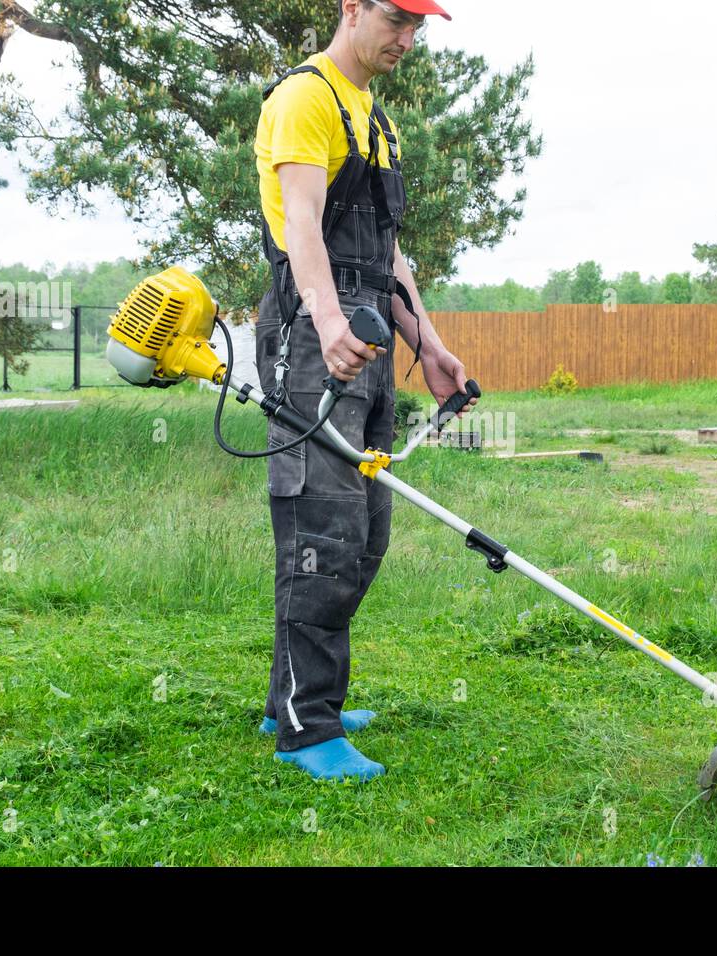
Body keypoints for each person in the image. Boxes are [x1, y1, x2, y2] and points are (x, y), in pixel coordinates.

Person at [253, 0, 476, 782]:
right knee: (323, 534)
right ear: (351, 8)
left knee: (367, 530)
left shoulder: (374, 121)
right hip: (314, 336)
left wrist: (430, 344)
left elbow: (388, 256)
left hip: (371, 336)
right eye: (395, 19)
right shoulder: (305, 98)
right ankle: (307, 728)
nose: (407, 39)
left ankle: (299, 696)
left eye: (420, 27)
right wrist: (323, 322)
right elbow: (303, 224)